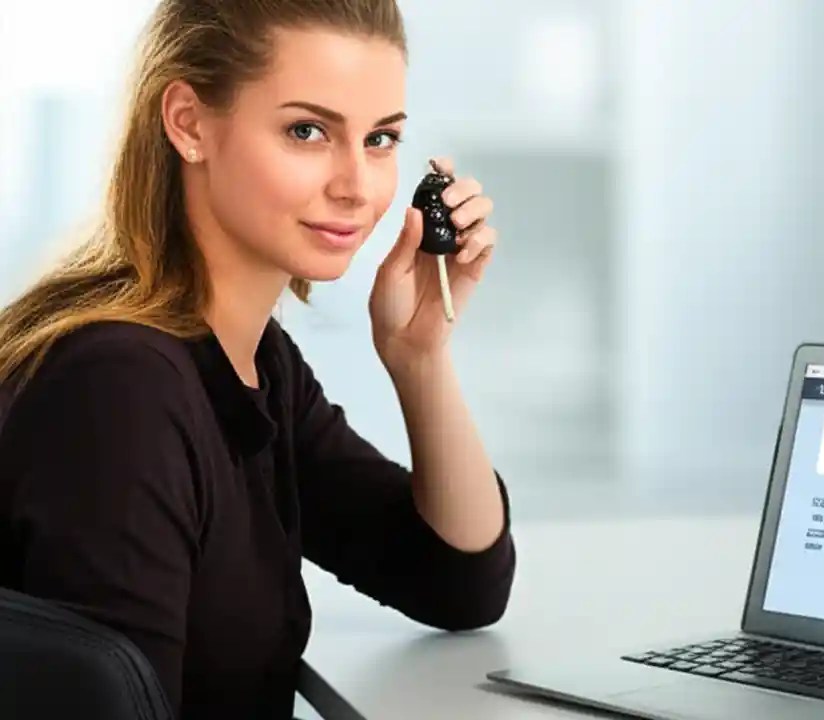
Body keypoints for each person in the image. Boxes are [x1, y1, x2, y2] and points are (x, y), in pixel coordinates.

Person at [0, 1, 514, 718]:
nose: (357, 186)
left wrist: (419, 358)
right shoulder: (120, 390)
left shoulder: (254, 363)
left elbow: (458, 582)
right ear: (188, 123)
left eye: (380, 139)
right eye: (307, 131)